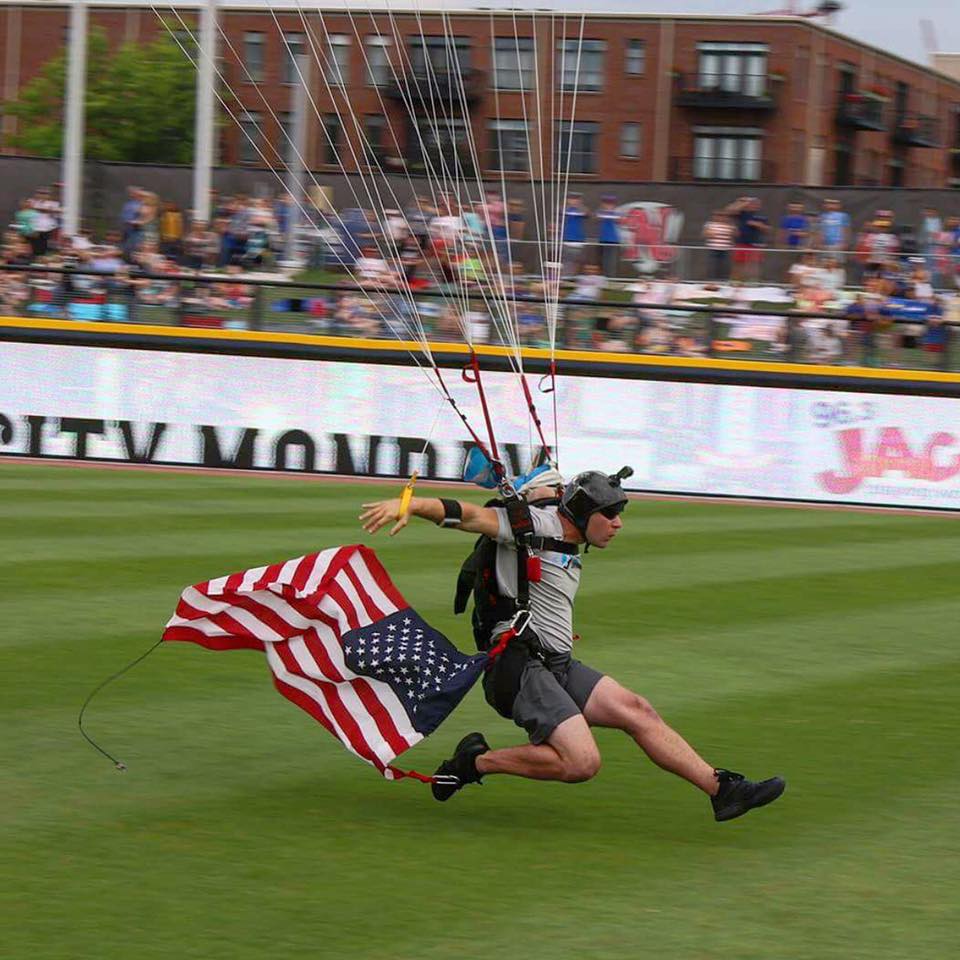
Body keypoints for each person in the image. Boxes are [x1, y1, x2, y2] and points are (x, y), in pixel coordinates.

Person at [359, 469, 786, 821]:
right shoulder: (527, 526)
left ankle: (721, 789)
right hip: (517, 665)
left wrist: (541, 484)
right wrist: (413, 505)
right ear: (584, 513)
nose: (618, 523)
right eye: (610, 514)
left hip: (556, 664)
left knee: (637, 710)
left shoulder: (564, 525)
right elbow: (467, 515)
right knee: (583, 763)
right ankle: (475, 762)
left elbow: (550, 488)